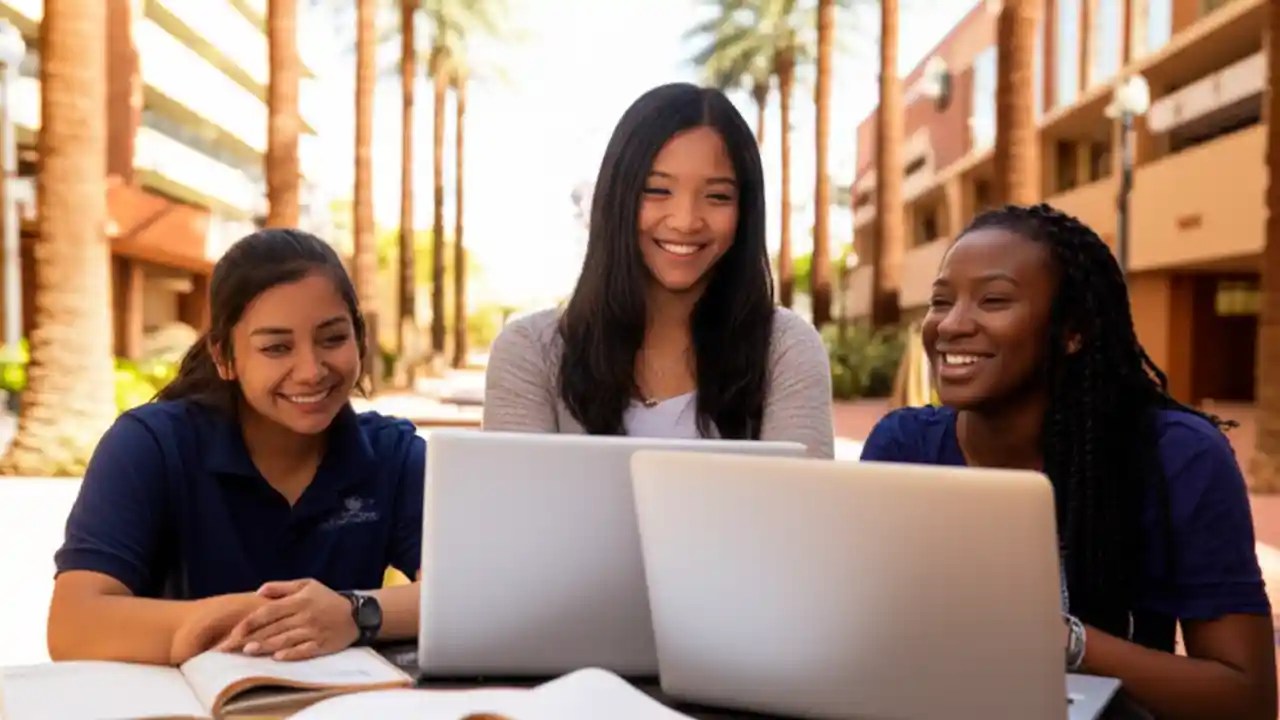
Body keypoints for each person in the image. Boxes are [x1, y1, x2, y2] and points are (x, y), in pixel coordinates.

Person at [861, 204, 1276, 719]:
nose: (951, 324)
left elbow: (1247, 699)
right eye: (941, 301)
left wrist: (1064, 641)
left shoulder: (1176, 456)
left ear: (1072, 329)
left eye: (993, 300)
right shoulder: (903, 448)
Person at [48, 229, 426, 666]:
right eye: (276, 347)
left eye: (333, 338)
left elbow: (472, 597)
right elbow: (74, 625)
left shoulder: (394, 456)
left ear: (359, 338)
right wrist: (253, 617)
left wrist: (355, 613)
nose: (310, 370)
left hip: (347, 699)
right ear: (224, 357)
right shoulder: (149, 446)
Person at [483, 83, 834, 458]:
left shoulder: (785, 350)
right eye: (657, 190)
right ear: (617, 198)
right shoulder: (530, 353)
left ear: (744, 211)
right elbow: (515, 495)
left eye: (717, 196)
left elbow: (800, 496)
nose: (685, 221)